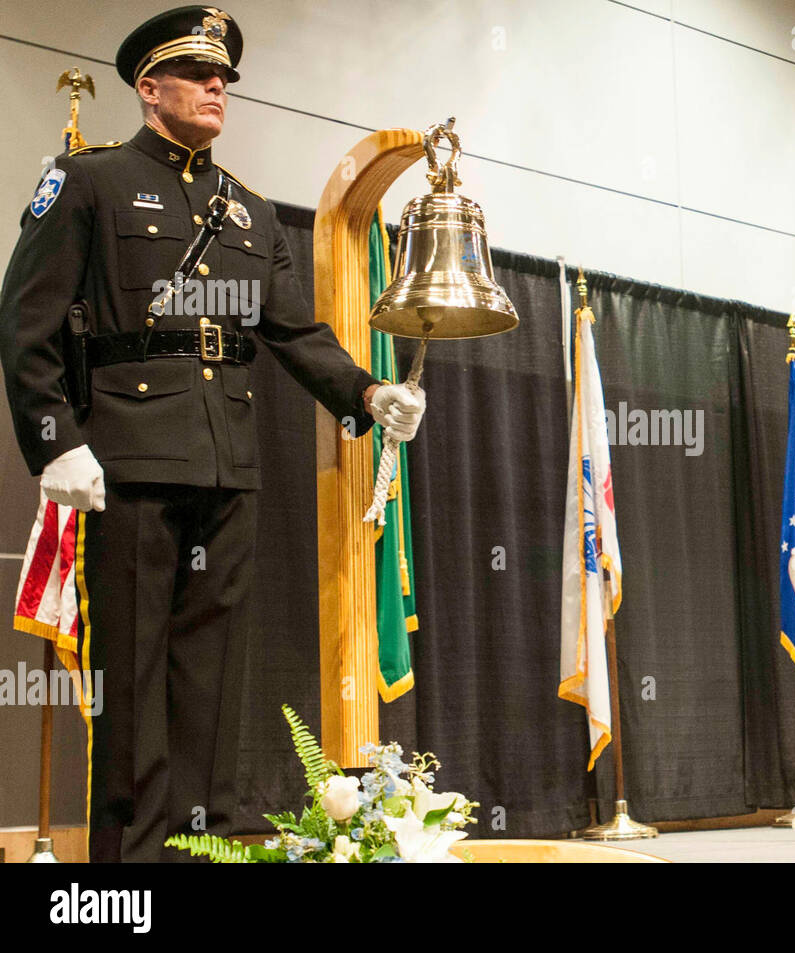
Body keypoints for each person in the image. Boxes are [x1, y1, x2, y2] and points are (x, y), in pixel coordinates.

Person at [0, 6, 425, 862]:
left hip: (228, 468)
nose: (217, 84)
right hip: (124, 465)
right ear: (148, 88)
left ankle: (204, 856)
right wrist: (56, 443)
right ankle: (129, 880)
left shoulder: (250, 212)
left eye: (223, 73)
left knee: (213, 685)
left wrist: (369, 392)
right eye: (198, 73)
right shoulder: (89, 181)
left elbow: (295, 334)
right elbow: (25, 324)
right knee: (131, 686)